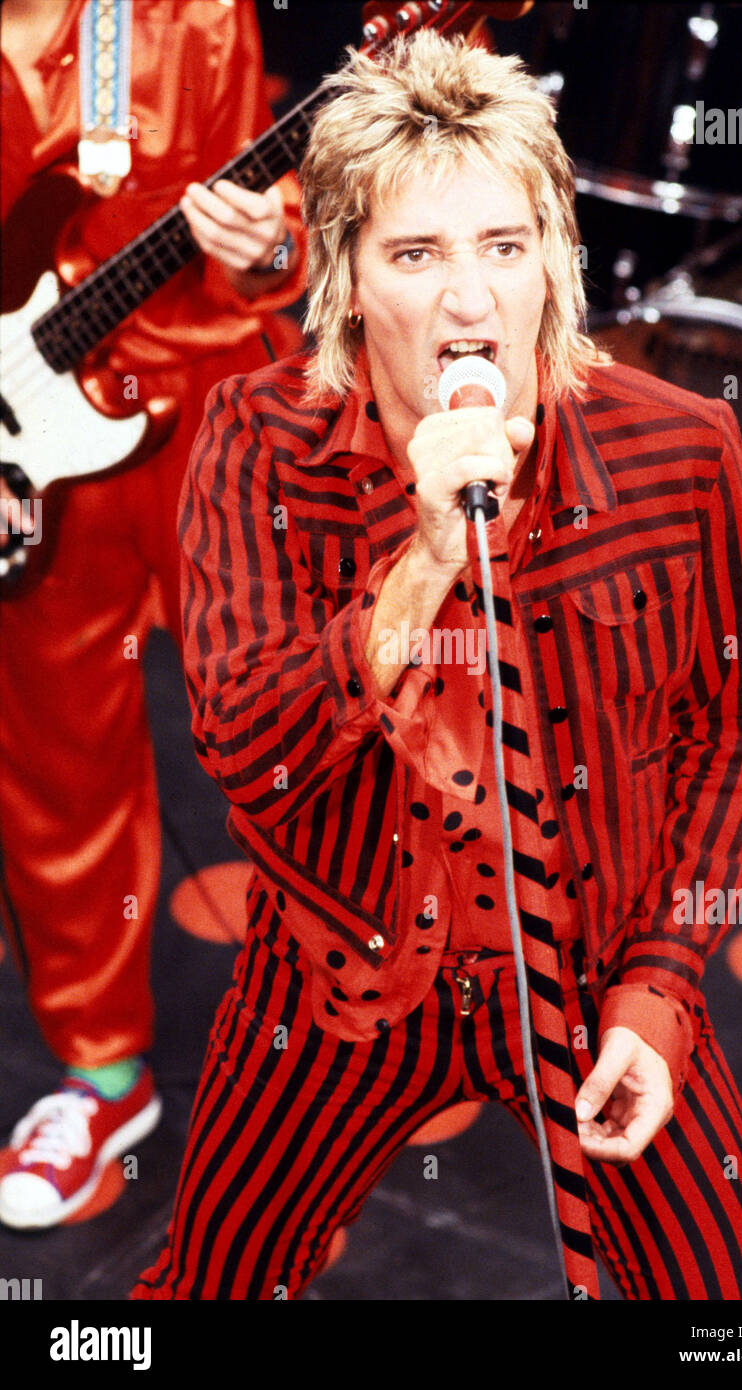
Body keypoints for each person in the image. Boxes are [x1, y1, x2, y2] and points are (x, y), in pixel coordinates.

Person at [132, 30, 742, 1300]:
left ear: (559, 259)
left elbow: (729, 746)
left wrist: (658, 994)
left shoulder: (685, 450)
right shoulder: (258, 447)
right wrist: (423, 563)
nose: (473, 299)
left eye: (506, 246)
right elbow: (246, 755)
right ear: (339, 274)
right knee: (204, 1291)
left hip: (602, 966)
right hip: (337, 977)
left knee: (740, 1318)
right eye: (417, 254)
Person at [0, 0, 307, 1228]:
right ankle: (101, 1074)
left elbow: (294, 253)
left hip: (224, 406)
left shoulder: (197, 14)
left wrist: (266, 251)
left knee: (303, 731)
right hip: (31, 431)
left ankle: (352, 1046)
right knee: (56, 760)